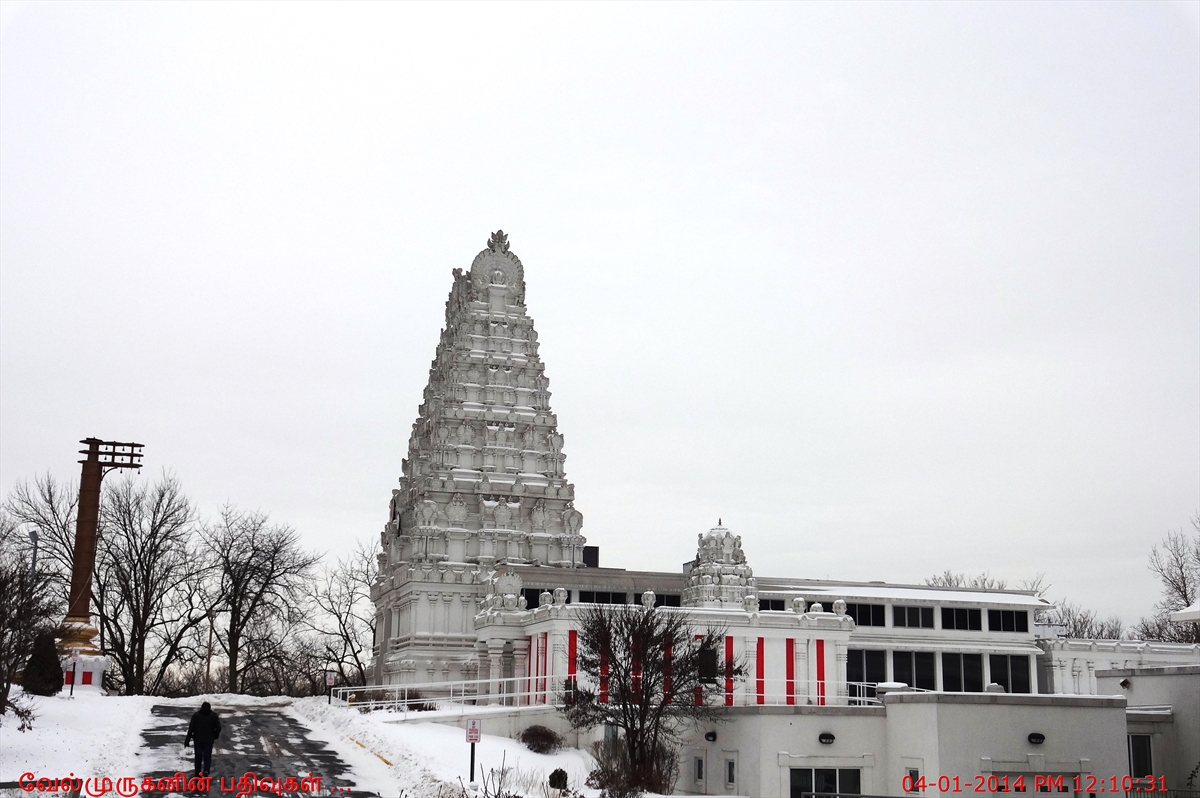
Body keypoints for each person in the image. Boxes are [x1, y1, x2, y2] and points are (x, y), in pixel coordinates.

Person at [183, 701, 222, 777]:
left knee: (198, 757)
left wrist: (187, 740)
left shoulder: (196, 715)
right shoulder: (213, 716)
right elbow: (218, 727)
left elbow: (191, 728)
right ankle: (206, 770)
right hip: (209, 739)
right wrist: (215, 735)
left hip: (198, 739)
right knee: (207, 756)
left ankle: (198, 772)